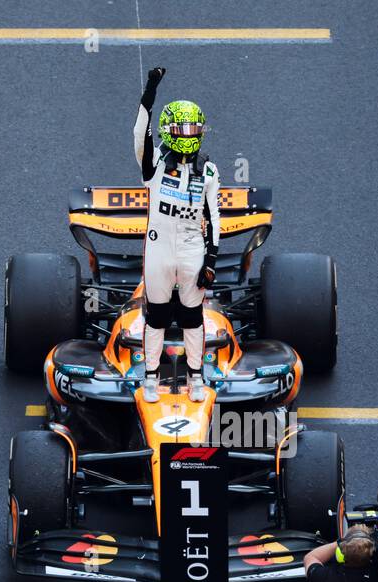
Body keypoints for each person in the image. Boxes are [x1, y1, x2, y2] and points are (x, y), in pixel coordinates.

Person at [132, 66, 220, 403]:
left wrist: (211, 261)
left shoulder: (208, 170)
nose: (189, 134)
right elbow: (140, 132)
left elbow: (214, 217)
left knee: (192, 317)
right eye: (183, 129)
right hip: (158, 250)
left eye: (193, 128)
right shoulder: (153, 163)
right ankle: (150, 379)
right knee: (155, 317)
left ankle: (196, 378)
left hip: (191, 250)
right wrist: (150, 91)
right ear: (168, 131)